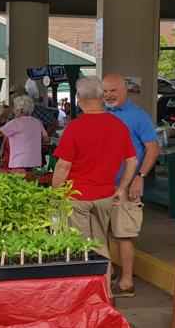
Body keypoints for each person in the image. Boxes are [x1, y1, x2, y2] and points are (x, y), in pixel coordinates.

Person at [51, 76, 138, 300]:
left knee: (78, 247)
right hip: (105, 196)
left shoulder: (76, 127)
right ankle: (106, 293)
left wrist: (55, 195)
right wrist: (121, 187)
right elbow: (132, 160)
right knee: (100, 245)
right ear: (101, 97)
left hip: (76, 197)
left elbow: (63, 166)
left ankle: (85, 298)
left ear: (79, 99)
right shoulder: (118, 125)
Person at [98, 73, 161, 299]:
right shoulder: (101, 113)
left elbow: (152, 149)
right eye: (105, 91)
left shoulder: (138, 116)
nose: (108, 95)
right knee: (100, 233)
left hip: (125, 187)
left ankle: (126, 283)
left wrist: (140, 175)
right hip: (101, 186)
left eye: (113, 91)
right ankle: (110, 273)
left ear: (125, 90)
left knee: (123, 234)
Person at [2, 94, 46, 171]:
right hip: (35, 162)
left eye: (15, 108)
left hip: (19, 162)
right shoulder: (38, 122)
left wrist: (1, 116)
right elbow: (46, 139)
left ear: (21, 110)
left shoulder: (15, 122)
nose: (14, 110)